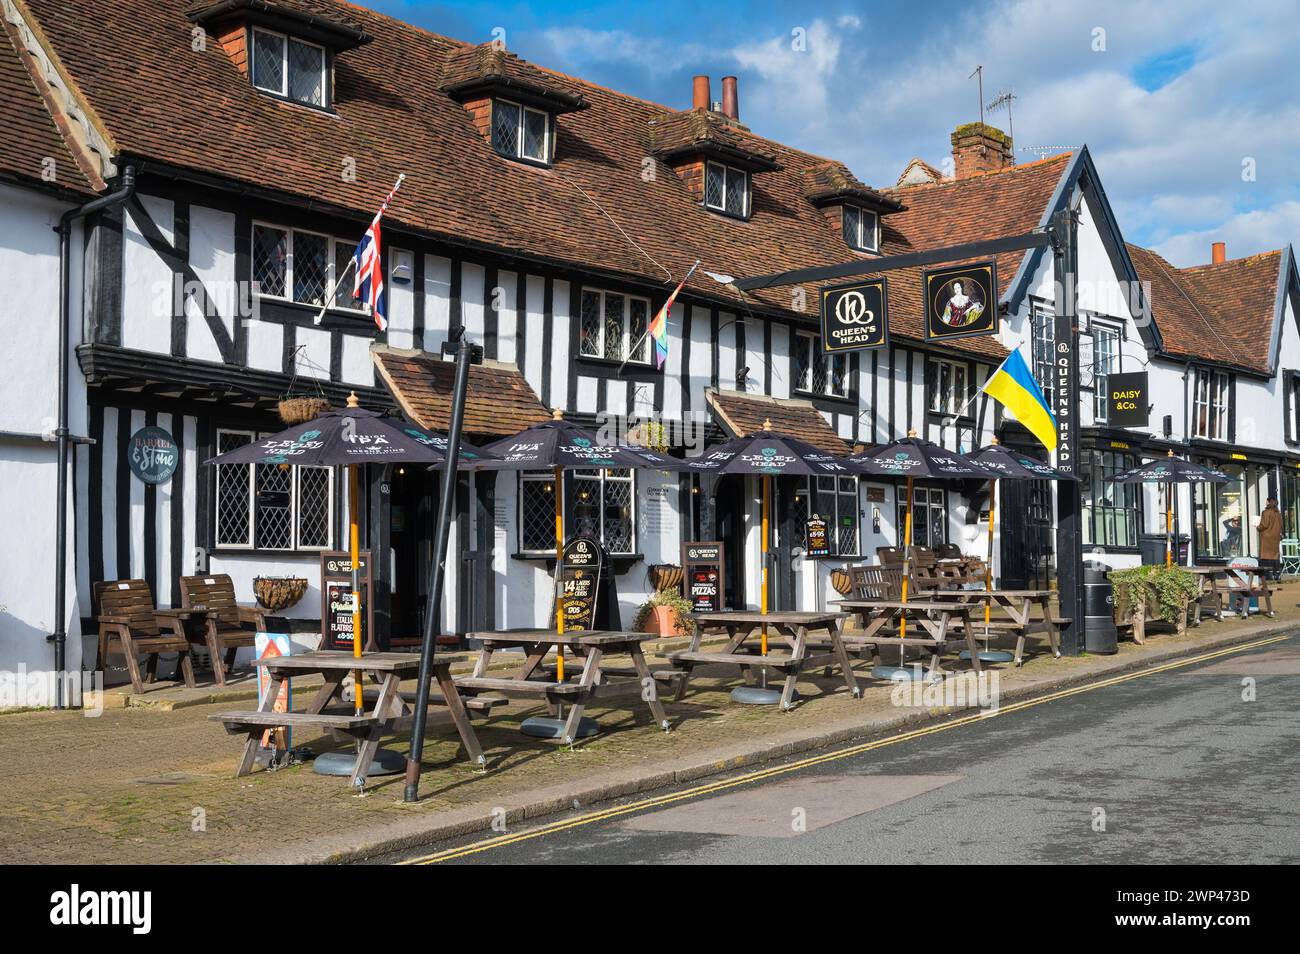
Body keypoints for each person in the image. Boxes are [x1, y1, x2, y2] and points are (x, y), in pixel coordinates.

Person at [1257, 497, 1282, 580]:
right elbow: (1281, 525)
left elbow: (1264, 524)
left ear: (1269, 502)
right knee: (1275, 555)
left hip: (1267, 537)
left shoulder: (1265, 512)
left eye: (1266, 501)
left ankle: (1268, 574)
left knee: (1266, 555)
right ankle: (1277, 573)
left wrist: (1258, 527)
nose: (1265, 502)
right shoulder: (1278, 513)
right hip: (1275, 537)